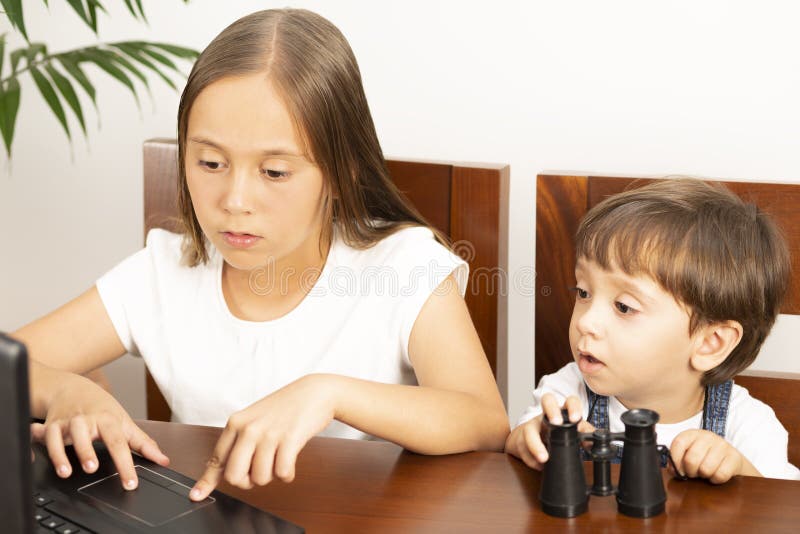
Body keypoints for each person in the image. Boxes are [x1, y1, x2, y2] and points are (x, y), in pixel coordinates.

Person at [16, 8, 509, 502]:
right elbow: (9, 360)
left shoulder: (403, 267)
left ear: (343, 174)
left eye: (274, 172)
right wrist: (67, 390)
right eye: (210, 162)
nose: (235, 200)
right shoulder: (162, 272)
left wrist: (330, 393)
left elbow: (483, 420)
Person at [505, 178, 800, 482]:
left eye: (624, 307)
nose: (585, 322)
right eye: (583, 292)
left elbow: (780, 505)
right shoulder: (569, 392)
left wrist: (739, 471)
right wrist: (539, 435)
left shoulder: (748, 424)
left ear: (710, 343)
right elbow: (516, 446)